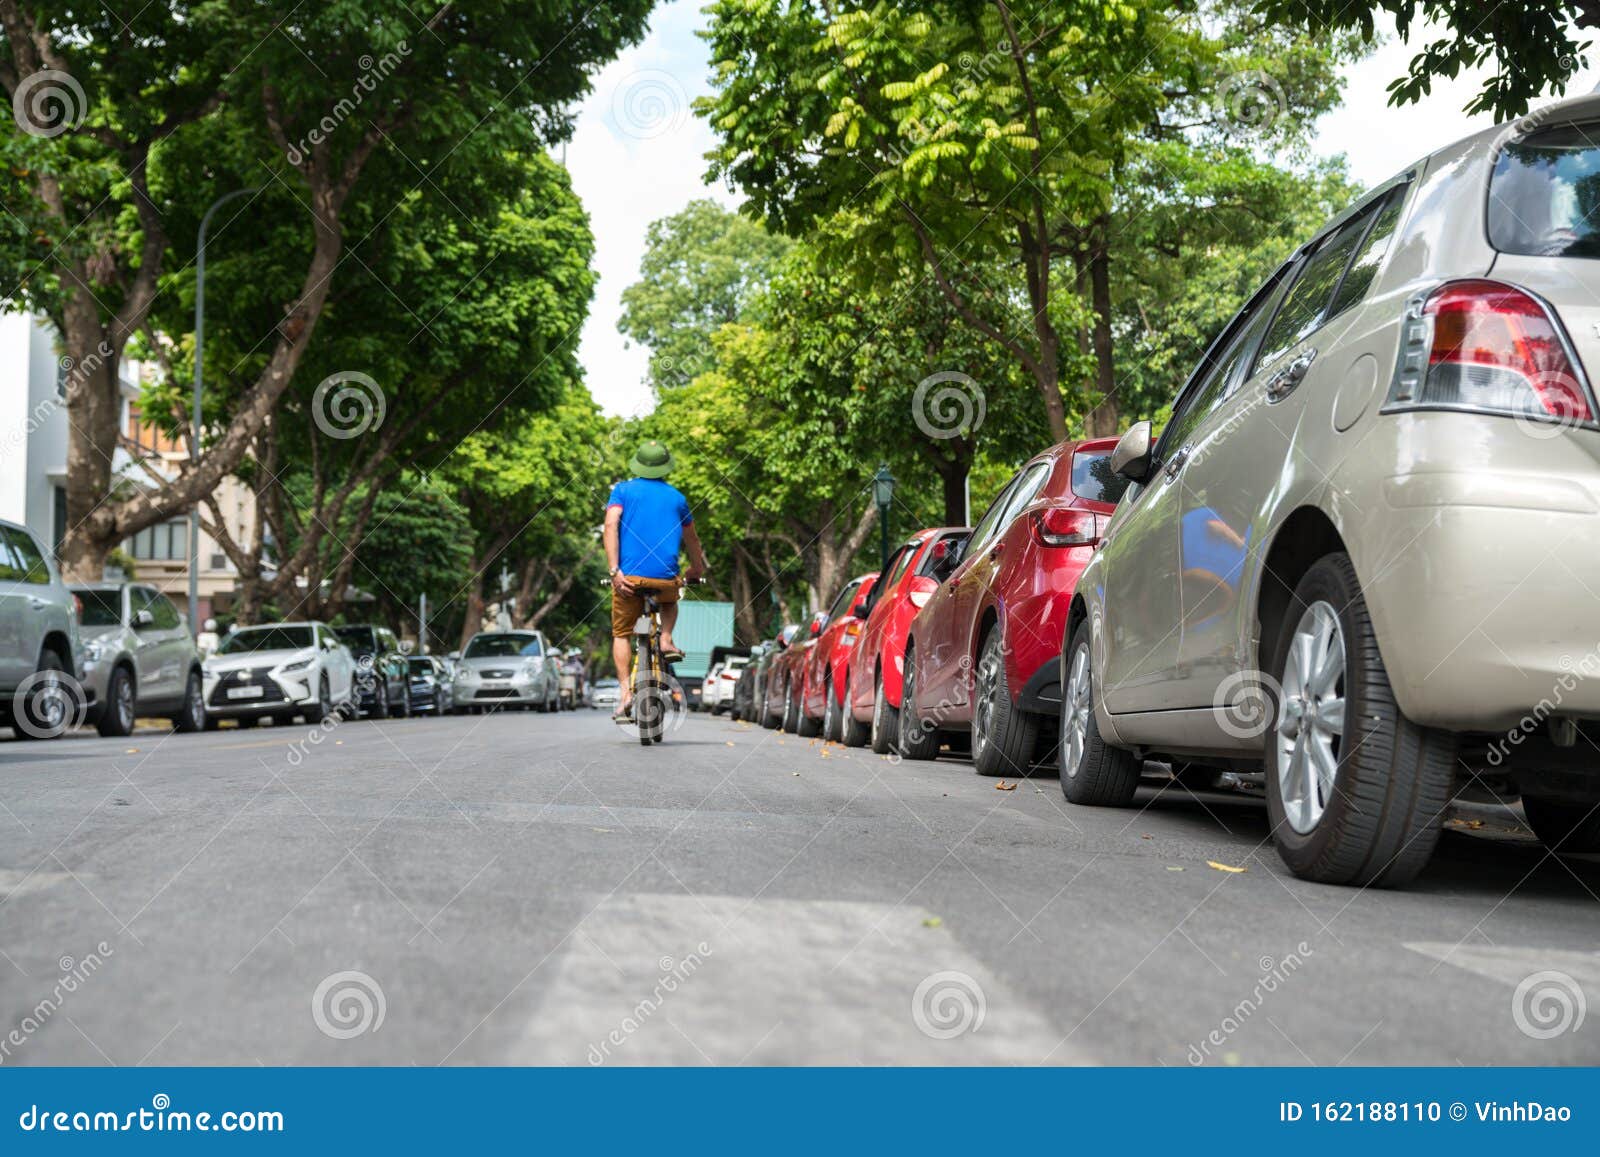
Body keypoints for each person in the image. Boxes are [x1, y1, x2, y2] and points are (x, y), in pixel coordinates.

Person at [604, 440, 707, 718]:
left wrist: (615, 570)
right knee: (670, 600)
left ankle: (626, 694)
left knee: (621, 634)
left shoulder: (622, 491)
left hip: (629, 581)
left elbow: (611, 523)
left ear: (637, 464)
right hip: (664, 580)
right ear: (665, 467)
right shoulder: (677, 498)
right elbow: (692, 539)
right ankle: (666, 640)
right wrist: (695, 570)